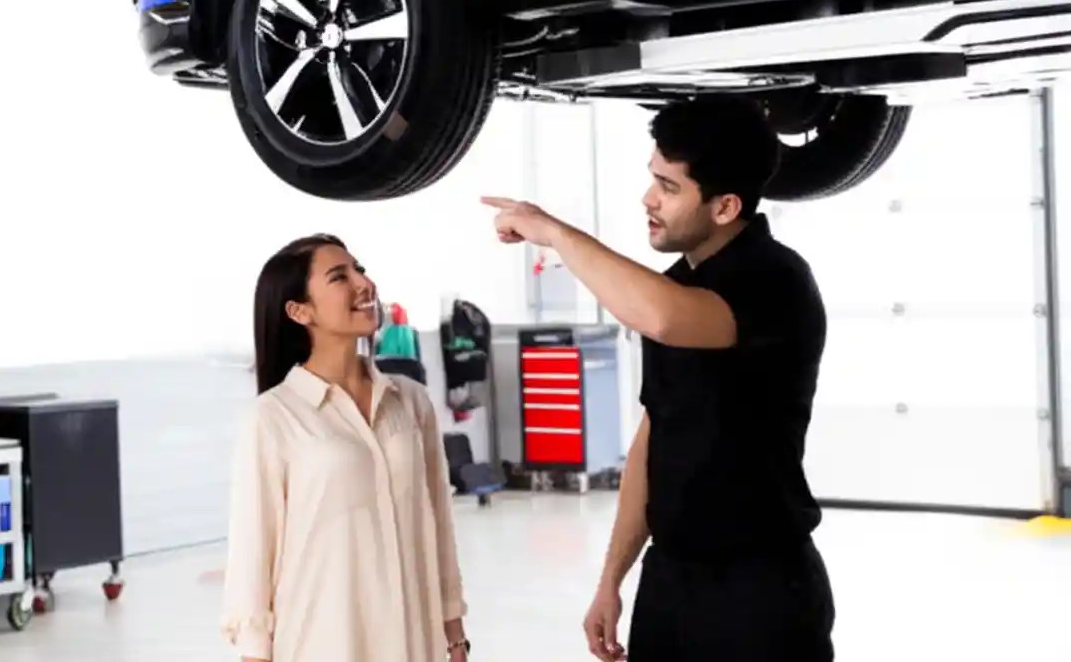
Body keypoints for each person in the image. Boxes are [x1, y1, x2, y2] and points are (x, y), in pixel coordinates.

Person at [483, 97, 834, 662]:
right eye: (652, 179)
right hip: (670, 580)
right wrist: (611, 579)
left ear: (724, 207)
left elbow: (667, 316)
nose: (648, 199)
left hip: (760, 588)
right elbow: (655, 438)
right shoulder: (674, 282)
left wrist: (553, 232)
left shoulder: (776, 279)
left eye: (669, 187)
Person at [221, 233, 472, 662]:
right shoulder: (273, 417)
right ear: (300, 311)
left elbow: (439, 527)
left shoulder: (410, 401)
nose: (363, 284)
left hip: (415, 644)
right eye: (340, 276)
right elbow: (251, 561)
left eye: (361, 270)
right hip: (322, 644)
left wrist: (454, 638)